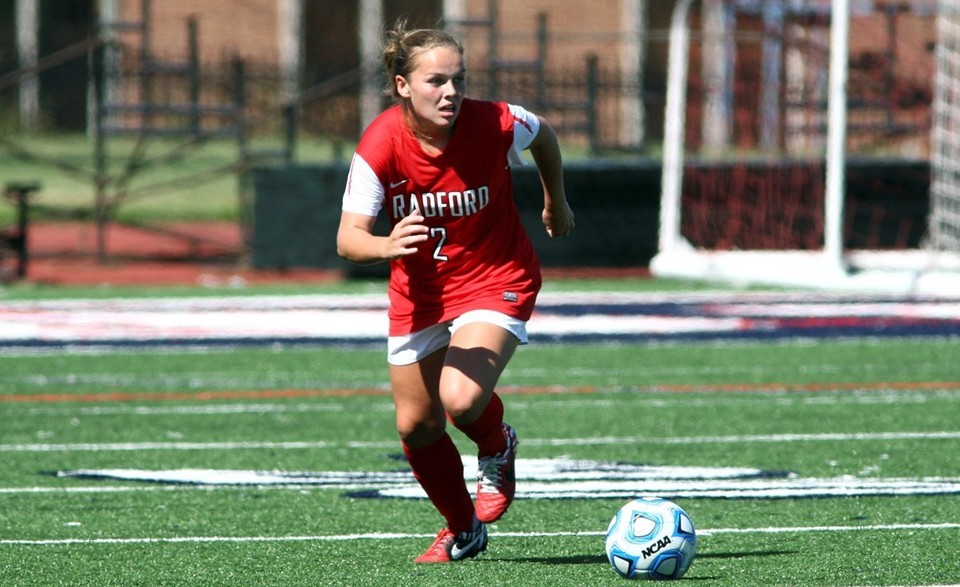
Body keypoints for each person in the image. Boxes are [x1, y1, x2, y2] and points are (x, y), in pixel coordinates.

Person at [336, 20, 575, 564]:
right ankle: (462, 527)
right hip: (420, 292)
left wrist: (554, 199)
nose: (450, 93)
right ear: (402, 85)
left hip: (497, 276)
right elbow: (348, 240)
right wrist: (386, 245)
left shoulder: (494, 121)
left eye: (458, 80)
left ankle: (496, 443)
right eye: (435, 81)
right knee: (416, 426)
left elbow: (545, 137)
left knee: (461, 399)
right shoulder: (380, 144)